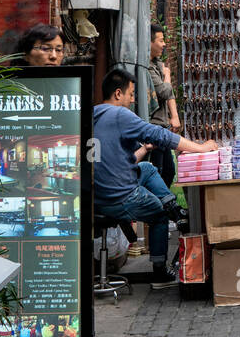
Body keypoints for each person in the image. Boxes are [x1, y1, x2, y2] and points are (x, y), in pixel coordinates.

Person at [93, 69, 217, 288]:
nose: (132, 100)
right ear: (118, 93)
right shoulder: (120, 115)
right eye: (131, 95)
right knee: (159, 216)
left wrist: (145, 148)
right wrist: (200, 148)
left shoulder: (93, 114)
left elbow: (126, 160)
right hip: (119, 196)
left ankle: (176, 212)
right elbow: (162, 134)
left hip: (97, 195)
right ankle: (160, 272)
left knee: (148, 168)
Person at [147, 23, 181, 189]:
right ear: (150, 42)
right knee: (158, 171)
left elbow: (170, 92)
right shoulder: (147, 67)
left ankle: (164, 205)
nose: (164, 44)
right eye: (161, 40)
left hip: (163, 125)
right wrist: (167, 75)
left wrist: (174, 116)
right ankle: (159, 207)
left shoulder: (157, 63)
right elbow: (164, 91)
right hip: (154, 126)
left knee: (168, 171)